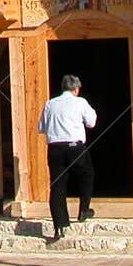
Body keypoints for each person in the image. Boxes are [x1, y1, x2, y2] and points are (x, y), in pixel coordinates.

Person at [38, 73, 96, 237]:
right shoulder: (80, 102)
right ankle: (84, 210)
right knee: (87, 174)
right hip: (74, 146)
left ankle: (59, 226)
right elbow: (91, 123)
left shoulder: (50, 104)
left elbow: (42, 128)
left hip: (55, 148)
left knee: (57, 185)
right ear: (76, 89)